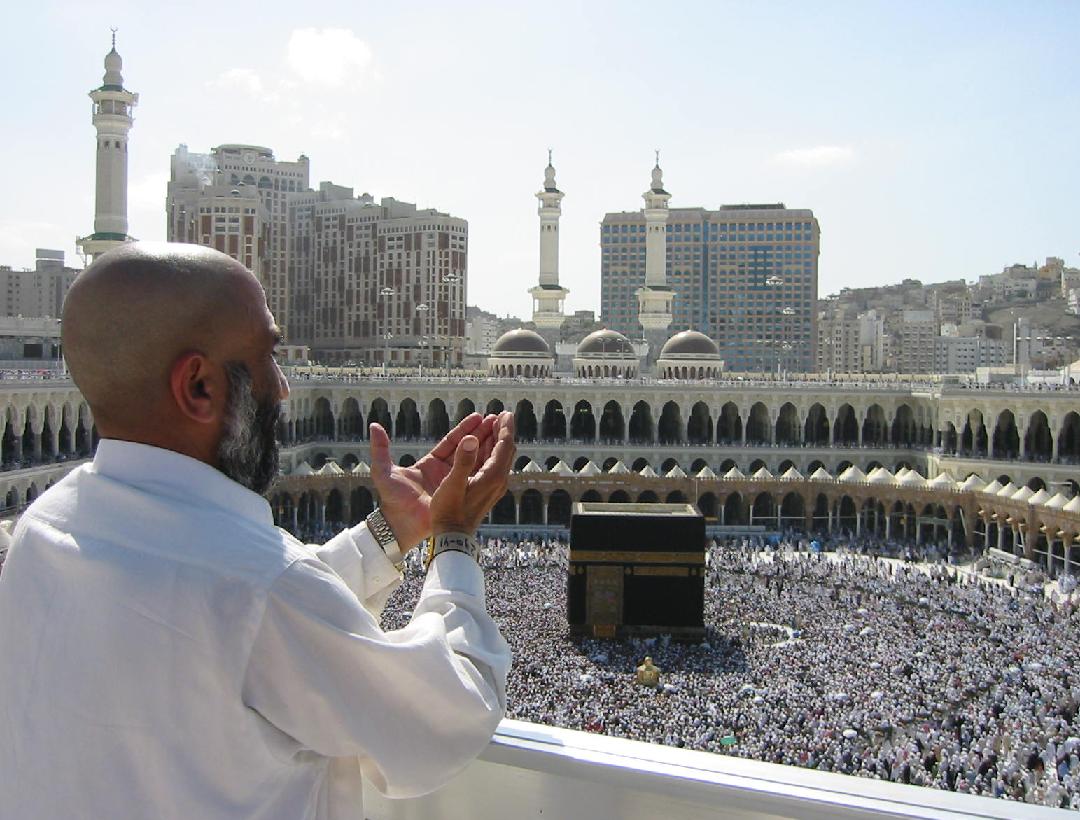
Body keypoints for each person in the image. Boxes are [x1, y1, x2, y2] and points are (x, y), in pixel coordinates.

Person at [0, 242, 515, 820]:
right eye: (268, 357)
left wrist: (388, 531)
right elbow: (449, 713)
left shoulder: (40, 531)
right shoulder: (256, 590)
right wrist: (452, 536)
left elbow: (230, 625)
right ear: (198, 386)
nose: (285, 387)